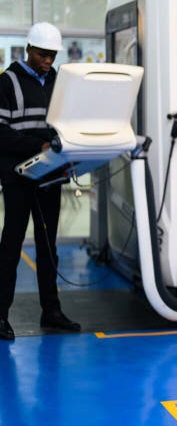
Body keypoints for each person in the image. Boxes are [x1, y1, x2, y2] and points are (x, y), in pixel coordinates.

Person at [0, 22, 81, 341]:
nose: (48, 60)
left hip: (49, 176)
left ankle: (52, 312)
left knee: (48, 247)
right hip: (18, 178)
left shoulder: (58, 82)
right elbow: (1, 133)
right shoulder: (7, 83)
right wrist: (39, 145)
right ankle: (0, 316)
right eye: (42, 54)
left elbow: (63, 126)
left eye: (52, 55)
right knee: (11, 246)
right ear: (28, 50)